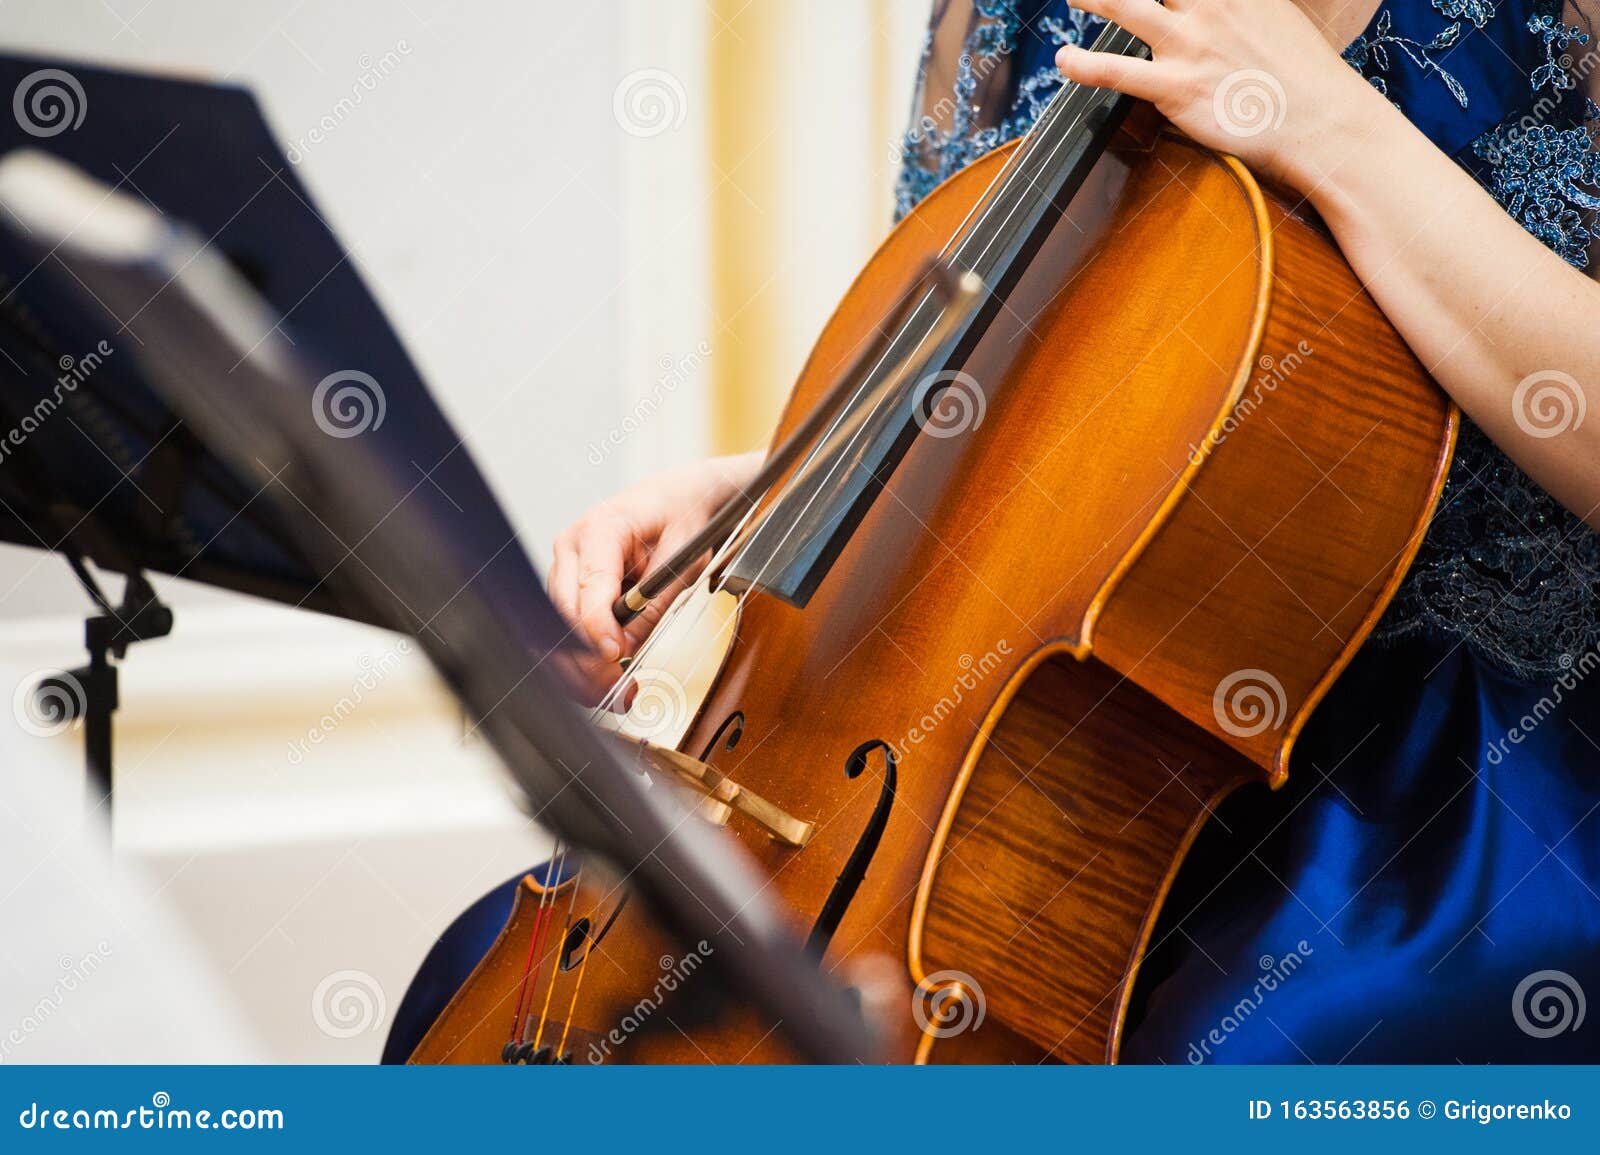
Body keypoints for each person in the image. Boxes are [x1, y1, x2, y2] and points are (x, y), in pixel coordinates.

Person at [392, 1, 1600, 1063]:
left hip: (1477, 768)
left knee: (1257, 1053)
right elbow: (1007, 381)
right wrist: (766, 484)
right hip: (1070, 711)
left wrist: (1331, 129)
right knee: (481, 980)